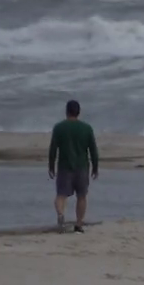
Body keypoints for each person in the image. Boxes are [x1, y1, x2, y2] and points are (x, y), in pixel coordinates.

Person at [48, 98, 100, 233]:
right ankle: (78, 224)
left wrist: (51, 166)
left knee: (61, 195)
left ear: (66, 112)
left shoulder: (59, 128)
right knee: (81, 196)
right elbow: (93, 149)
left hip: (65, 166)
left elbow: (53, 149)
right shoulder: (86, 128)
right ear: (78, 112)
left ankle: (60, 214)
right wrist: (95, 167)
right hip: (82, 166)